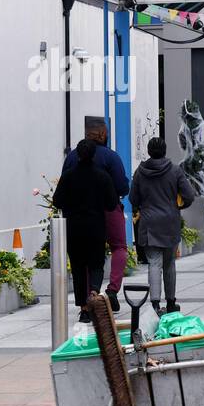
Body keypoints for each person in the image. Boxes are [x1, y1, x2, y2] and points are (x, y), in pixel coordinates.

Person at [61, 120, 130, 311]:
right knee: (119, 247)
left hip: (78, 213)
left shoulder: (72, 157)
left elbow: (63, 187)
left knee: (83, 257)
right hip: (108, 209)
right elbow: (123, 186)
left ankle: (86, 300)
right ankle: (112, 289)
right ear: (104, 134)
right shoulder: (111, 157)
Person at [52, 138, 119, 323]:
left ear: (77, 155)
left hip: (74, 227)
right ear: (93, 154)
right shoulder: (102, 176)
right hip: (96, 226)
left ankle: (83, 308)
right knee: (96, 263)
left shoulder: (68, 176)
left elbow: (57, 201)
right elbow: (112, 203)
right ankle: (94, 292)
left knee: (78, 267)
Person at [129, 137, 196, 315]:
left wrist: (142, 206)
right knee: (169, 264)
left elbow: (133, 199)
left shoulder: (140, 172)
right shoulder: (175, 171)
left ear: (149, 151)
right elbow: (189, 195)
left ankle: (155, 304)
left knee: (153, 263)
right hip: (170, 222)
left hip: (149, 223)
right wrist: (178, 206)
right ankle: (172, 302)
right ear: (164, 151)